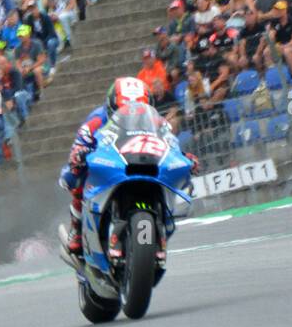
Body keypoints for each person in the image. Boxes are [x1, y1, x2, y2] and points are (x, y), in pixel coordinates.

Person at [59, 78, 198, 258]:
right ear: (111, 108)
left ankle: (160, 226)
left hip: (142, 163)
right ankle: (77, 228)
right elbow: (78, 146)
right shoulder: (95, 120)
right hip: (110, 164)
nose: (131, 113)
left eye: (138, 109)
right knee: (75, 178)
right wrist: (79, 154)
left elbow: (171, 144)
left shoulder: (158, 123)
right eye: (123, 109)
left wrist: (185, 157)